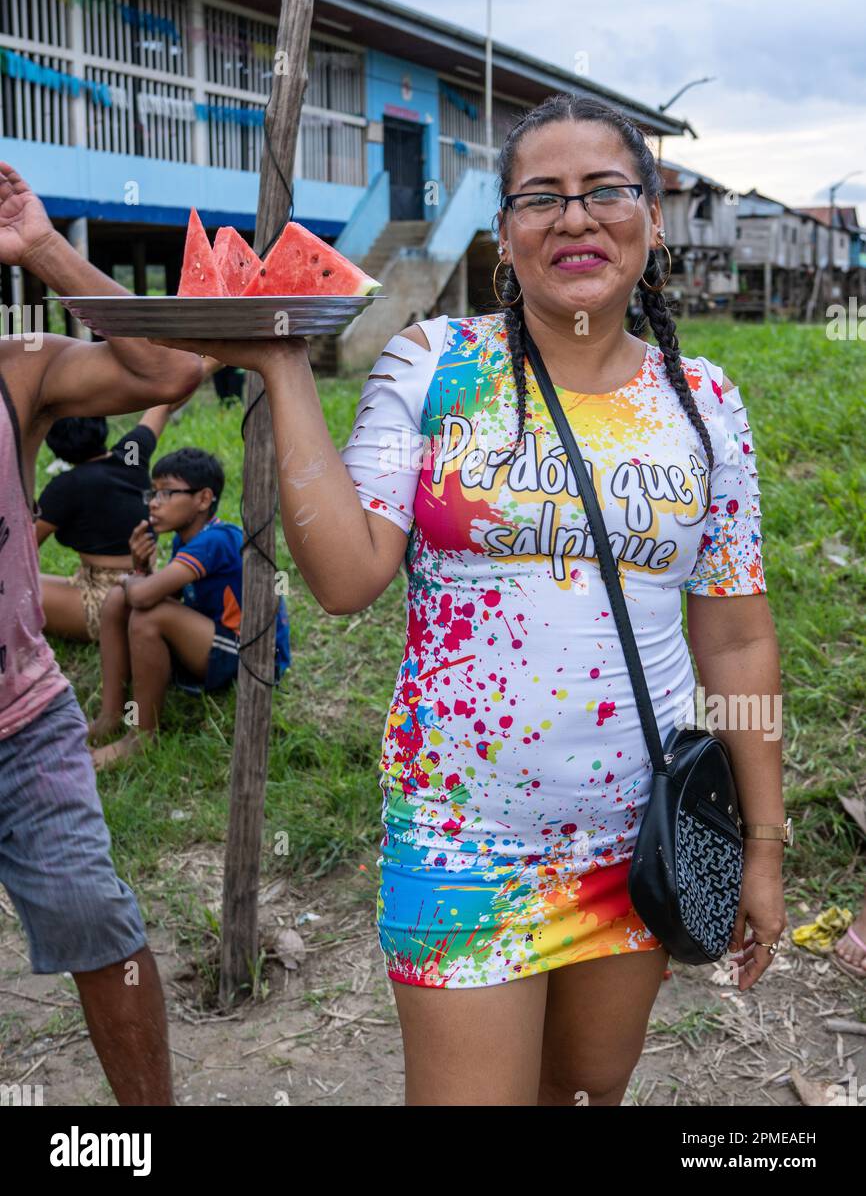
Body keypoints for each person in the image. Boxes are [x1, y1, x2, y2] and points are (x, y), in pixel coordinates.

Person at [154, 94, 786, 1108]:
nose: (573, 218)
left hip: (641, 836)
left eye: (605, 191)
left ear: (651, 218)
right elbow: (346, 575)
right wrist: (284, 367)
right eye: (540, 197)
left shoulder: (703, 402)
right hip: (461, 838)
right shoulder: (432, 365)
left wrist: (760, 842)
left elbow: (738, 641)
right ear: (505, 232)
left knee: (583, 1092)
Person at [0, 158, 203, 1105]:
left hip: (23, 718)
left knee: (97, 920)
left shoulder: (17, 370)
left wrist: (43, 246)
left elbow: (170, 368)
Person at [88, 446, 291, 769]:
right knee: (117, 601)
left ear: (203, 498)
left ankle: (141, 737)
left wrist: (130, 579)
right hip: (211, 638)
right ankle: (111, 715)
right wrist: (139, 571)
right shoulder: (188, 539)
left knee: (146, 613)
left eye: (167, 493)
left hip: (253, 656)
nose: (154, 502)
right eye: (153, 492)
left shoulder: (217, 539)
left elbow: (144, 598)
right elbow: (163, 594)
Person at [35, 363, 221, 643]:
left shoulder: (65, 487)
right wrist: (210, 363)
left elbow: (20, 550)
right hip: (149, 581)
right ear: (101, 423)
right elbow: (164, 405)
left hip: (101, 601)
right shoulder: (131, 455)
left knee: (13, 587)